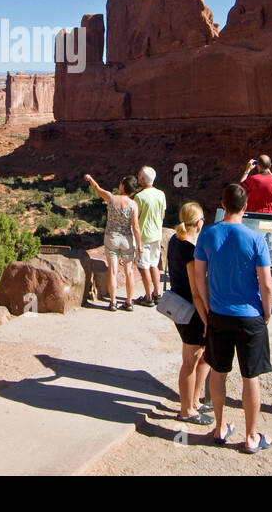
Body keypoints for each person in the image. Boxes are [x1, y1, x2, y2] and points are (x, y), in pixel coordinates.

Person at [194, 183, 272, 453]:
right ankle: (252, 437)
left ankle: (220, 427)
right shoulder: (256, 239)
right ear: (246, 206)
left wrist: (207, 309)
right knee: (250, 376)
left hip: (218, 315)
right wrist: (267, 311)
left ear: (222, 204)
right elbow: (266, 284)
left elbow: (199, 278)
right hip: (250, 316)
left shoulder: (208, 235)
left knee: (218, 373)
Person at [167, 202, 212, 424]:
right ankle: (186, 410)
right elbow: (196, 293)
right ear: (199, 222)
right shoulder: (188, 250)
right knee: (190, 361)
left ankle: (194, 401)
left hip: (179, 307)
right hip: (191, 312)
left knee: (203, 357)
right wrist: (206, 320)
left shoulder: (175, 240)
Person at [85, 173, 143, 311]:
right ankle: (129, 302)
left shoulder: (111, 198)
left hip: (111, 238)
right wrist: (139, 245)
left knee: (112, 271)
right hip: (127, 239)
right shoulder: (133, 205)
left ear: (123, 186)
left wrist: (90, 178)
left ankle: (113, 302)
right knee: (129, 271)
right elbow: (135, 227)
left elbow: (97, 188)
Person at [133, 166, 167, 306]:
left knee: (143, 267)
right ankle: (157, 294)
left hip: (143, 237)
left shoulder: (139, 197)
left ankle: (148, 297)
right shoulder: (161, 194)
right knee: (154, 264)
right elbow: (163, 214)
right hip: (157, 235)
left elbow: (135, 218)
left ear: (142, 179)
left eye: (139, 175)